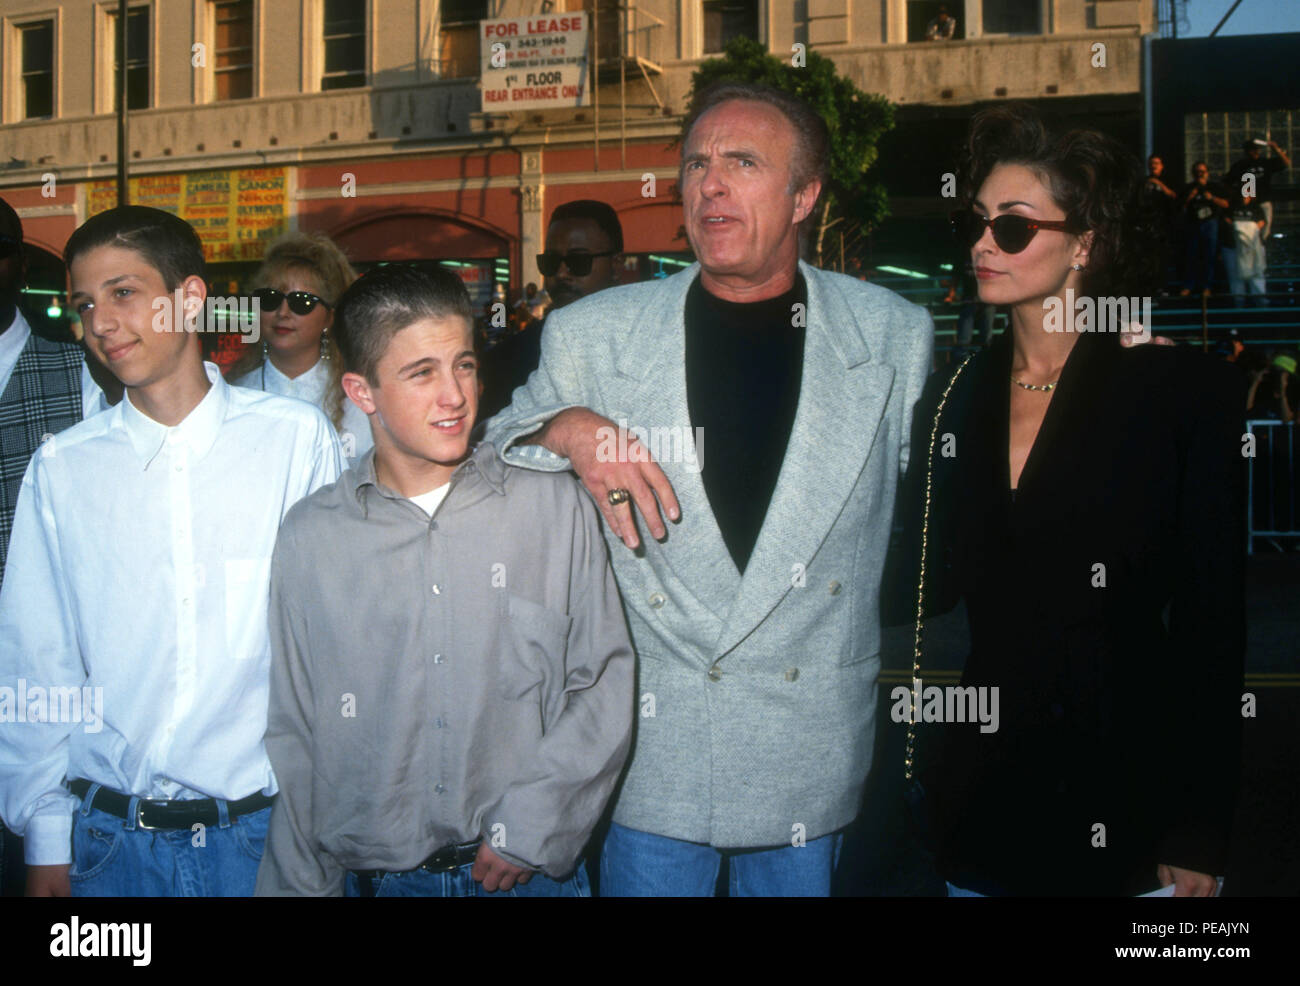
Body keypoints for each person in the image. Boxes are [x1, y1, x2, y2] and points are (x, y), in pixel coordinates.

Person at [483, 82, 933, 896]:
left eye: (743, 163)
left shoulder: (894, 334)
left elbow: (920, 512)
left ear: (805, 195)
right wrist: (566, 429)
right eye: (696, 163)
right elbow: (486, 458)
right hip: (655, 751)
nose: (710, 184)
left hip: (809, 748)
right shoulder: (594, 333)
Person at [888, 104, 1245, 897]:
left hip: (1133, 810)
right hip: (982, 813)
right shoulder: (951, 397)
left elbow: (1210, 632)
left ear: (1085, 244)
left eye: (1012, 228)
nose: (983, 243)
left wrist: (1199, 833)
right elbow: (924, 585)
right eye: (975, 222)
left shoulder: (1176, 391)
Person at [254, 264, 634, 897]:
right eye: (421, 372)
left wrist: (534, 825)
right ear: (362, 391)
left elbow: (601, 680)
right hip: (378, 881)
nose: (455, 395)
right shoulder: (312, 538)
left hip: (527, 876)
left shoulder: (550, 507)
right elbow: (297, 731)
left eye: (462, 364)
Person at [0, 206, 343, 897]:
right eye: (83, 303)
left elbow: (336, 645)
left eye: (123, 292)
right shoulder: (64, 469)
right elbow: (38, 663)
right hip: (108, 850)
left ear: (189, 299)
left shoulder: (293, 441)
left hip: (265, 842)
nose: (99, 322)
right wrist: (45, 839)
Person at [228, 231, 371, 467]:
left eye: (301, 302)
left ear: (329, 318)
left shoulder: (358, 398)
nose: (282, 313)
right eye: (270, 298)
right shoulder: (234, 392)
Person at [480, 200, 625, 422]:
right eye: (550, 262)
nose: (561, 274)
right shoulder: (507, 360)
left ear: (615, 265)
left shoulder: (650, 347)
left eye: (578, 261)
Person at [1226, 137, 1291, 241]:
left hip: (1264, 200)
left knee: (1265, 228)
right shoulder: (1240, 165)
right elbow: (1227, 182)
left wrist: (1276, 149)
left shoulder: (1265, 163)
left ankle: (1261, 245)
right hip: (1248, 203)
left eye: (1257, 149)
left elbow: (1286, 163)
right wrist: (1237, 197)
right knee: (1249, 229)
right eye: (1252, 149)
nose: (1255, 151)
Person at [1179, 161, 1229, 296]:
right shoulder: (1188, 188)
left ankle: (1207, 285)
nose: (1199, 175)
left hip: (1210, 223)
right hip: (1193, 223)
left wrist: (1211, 197)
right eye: (1197, 172)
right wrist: (1190, 196)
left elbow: (1226, 204)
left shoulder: (1214, 187)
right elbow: (1181, 206)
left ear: (1207, 173)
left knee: (1210, 255)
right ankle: (1189, 285)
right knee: (1191, 255)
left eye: (1202, 172)